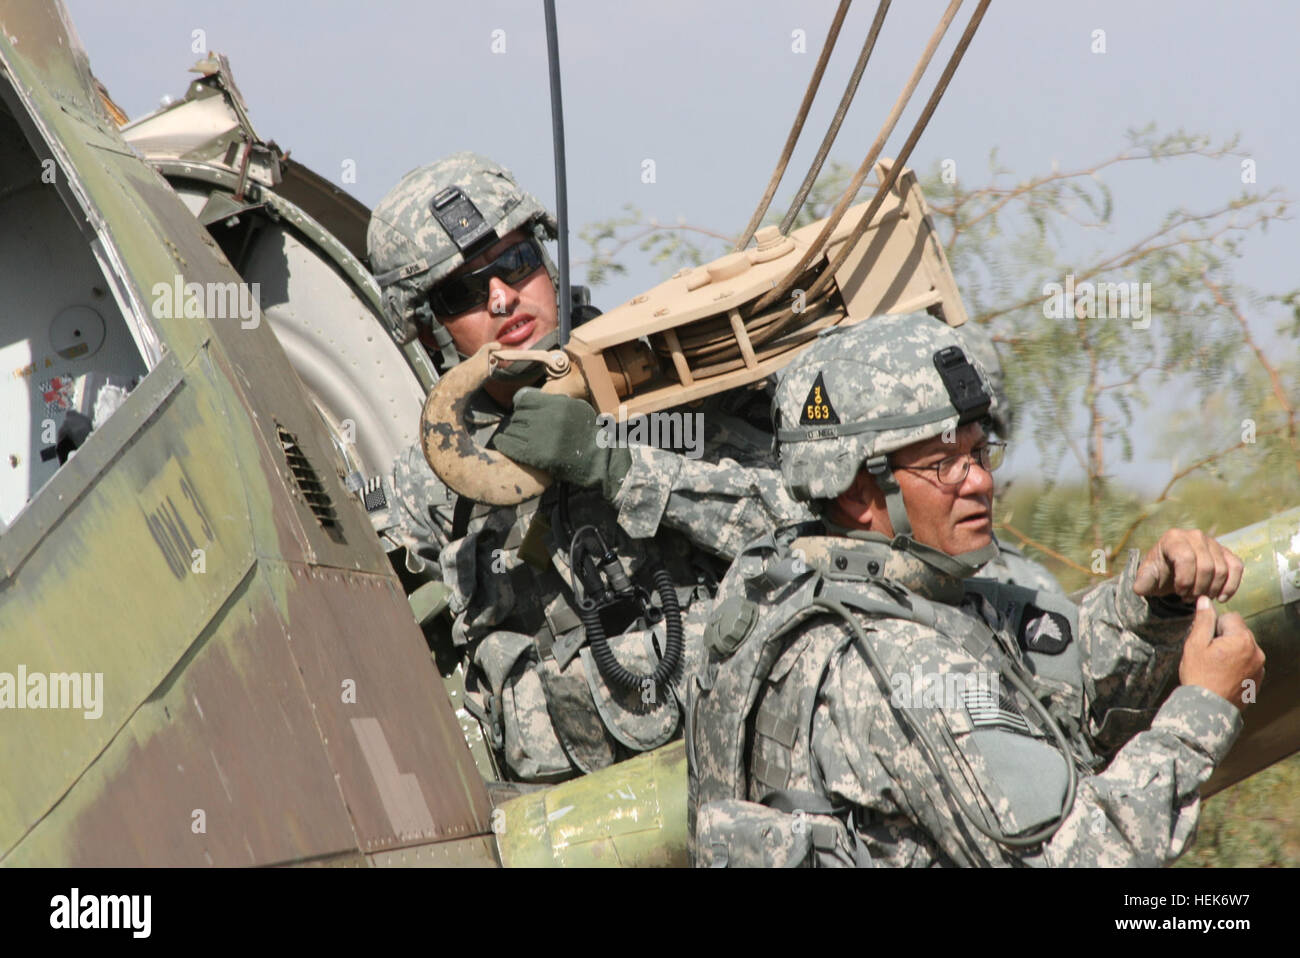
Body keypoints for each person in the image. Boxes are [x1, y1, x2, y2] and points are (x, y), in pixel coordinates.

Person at [689, 313, 1264, 867]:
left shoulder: (785, 584)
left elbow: (1055, 682)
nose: (982, 482)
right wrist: (1202, 712)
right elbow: (1087, 857)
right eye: (945, 464)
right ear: (858, 494)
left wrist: (1153, 604)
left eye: (979, 453)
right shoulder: (901, 664)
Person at [365, 152, 804, 783]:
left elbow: (803, 530)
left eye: (514, 263)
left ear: (544, 263)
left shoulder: (673, 379)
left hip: (740, 772)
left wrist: (615, 465)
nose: (500, 297)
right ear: (430, 328)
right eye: (461, 292)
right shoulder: (434, 480)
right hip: (570, 815)